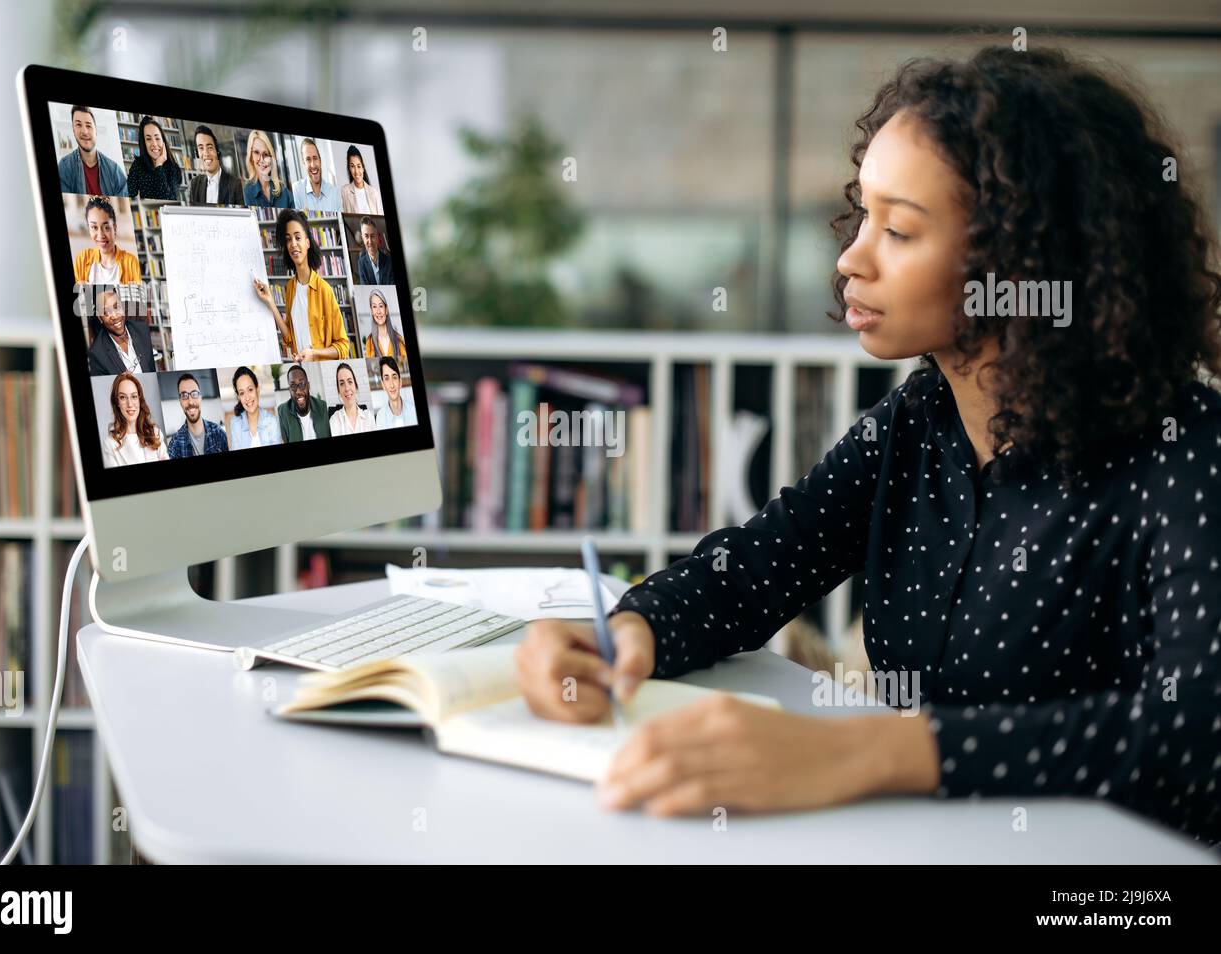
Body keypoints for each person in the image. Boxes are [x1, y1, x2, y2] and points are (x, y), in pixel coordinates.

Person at [514, 46, 1221, 847]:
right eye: (864, 216)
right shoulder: (919, 419)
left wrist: (867, 751)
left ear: (1023, 258)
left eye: (900, 230)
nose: (851, 258)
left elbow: (1196, 730)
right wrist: (634, 630)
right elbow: (758, 566)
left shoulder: (1186, 451)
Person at [252, 209, 350, 361]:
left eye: (298, 237)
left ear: (307, 242)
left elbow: (343, 347)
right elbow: (289, 337)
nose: (293, 244)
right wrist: (270, 301)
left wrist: (314, 353)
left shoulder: (324, 290)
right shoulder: (290, 288)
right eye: (288, 239)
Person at [101, 372, 168, 467]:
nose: (130, 404)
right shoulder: (109, 444)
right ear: (117, 403)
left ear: (139, 400)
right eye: (123, 397)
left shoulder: (155, 434)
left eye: (134, 396)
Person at [58, 105, 127, 196]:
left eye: (88, 125)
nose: (84, 131)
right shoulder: (65, 167)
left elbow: (124, 207)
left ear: (96, 131)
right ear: (73, 130)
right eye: (78, 125)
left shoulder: (114, 170)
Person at [87, 286, 156, 375]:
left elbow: (152, 372)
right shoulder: (97, 354)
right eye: (106, 312)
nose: (115, 316)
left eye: (116, 307)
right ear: (100, 318)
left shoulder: (143, 331)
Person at [73, 197, 142, 285]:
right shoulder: (82, 259)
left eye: (106, 227)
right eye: (94, 227)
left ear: (115, 228)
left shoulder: (131, 262)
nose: (101, 235)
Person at [166, 373, 228, 457]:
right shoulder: (175, 444)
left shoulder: (219, 433)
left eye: (194, 394)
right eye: (184, 395)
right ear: (180, 401)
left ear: (200, 397)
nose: (190, 401)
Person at [126, 115, 182, 200]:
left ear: (163, 141)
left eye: (157, 138)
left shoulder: (172, 168)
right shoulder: (138, 165)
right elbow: (128, 194)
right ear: (144, 143)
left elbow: (168, 199)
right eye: (148, 139)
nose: (154, 144)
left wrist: (158, 165)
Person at [187, 125, 245, 205]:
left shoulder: (235, 184)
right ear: (197, 154)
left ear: (217, 151)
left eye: (210, 147)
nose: (206, 153)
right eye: (201, 148)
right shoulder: (194, 184)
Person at [227, 366, 282, 449]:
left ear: (257, 390)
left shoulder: (272, 421)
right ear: (239, 397)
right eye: (242, 393)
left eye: (250, 390)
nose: (247, 398)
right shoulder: (235, 424)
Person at [277, 364, 331, 442]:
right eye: (293, 386)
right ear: (289, 390)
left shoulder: (323, 407)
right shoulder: (282, 412)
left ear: (308, 386)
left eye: (302, 384)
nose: (298, 391)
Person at [242, 129, 294, 210]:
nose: (261, 159)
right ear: (251, 157)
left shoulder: (283, 190)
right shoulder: (247, 193)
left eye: (265, 154)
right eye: (256, 152)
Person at [291, 138, 341, 213]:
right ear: (303, 163)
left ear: (320, 160)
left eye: (315, 158)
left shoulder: (334, 193)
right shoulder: (296, 190)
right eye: (308, 159)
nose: (313, 165)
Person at [361, 288, 408, 364]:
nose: (378, 311)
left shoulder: (399, 339)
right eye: (374, 307)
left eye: (381, 306)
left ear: (386, 310)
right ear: (371, 311)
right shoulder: (369, 341)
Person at [328, 361, 375, 436]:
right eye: (342, 384)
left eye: (350, 382)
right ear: (338, 390)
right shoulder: (334, 420)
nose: (347, 388)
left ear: (356, 386)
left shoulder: (369, 417)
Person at [374, 356, 416, 428]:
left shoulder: (414, 411)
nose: (392, 385)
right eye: (386, 378)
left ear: (400, 382)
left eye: (394, 377)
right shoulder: (380, 417)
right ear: (383, 385)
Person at [340, 144, 383, 215]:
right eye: (352, 166)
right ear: (349, 169)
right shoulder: (345, 192)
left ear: (363, 168)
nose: (356, 171)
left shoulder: (374, 193)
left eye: (359, 166)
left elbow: (381, 221)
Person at [355, 216, 394, 285]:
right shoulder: (361, 263)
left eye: (372, 236)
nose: (370, 241)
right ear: (363, 238)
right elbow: (365, 290)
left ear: (377, 237)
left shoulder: (389, 260)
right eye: (366, 236)